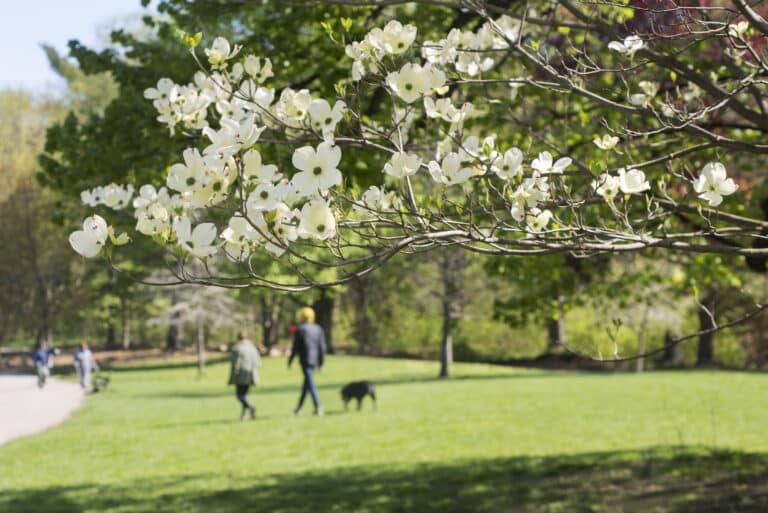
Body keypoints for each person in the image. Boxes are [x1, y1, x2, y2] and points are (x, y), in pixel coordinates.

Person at [288, 307, 327, 416]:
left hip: (305, 361)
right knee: (307, 385)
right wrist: (321, 363)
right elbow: (322, 347)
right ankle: (298, 408)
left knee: (310, 384)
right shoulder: (318, 328)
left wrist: (290, 360)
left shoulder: (300, 329)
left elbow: (295, 348)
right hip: (314, 361)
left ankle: (318, 407)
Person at [228, 330, 260, 421]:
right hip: (250, 375)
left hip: (240, 376)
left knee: (239, 396)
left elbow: (235, 364)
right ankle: (243, 415)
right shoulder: (252, 347)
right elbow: (257, 362)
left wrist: (233, 376)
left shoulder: (237, 348)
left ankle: (250, 408)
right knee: (244, 396)